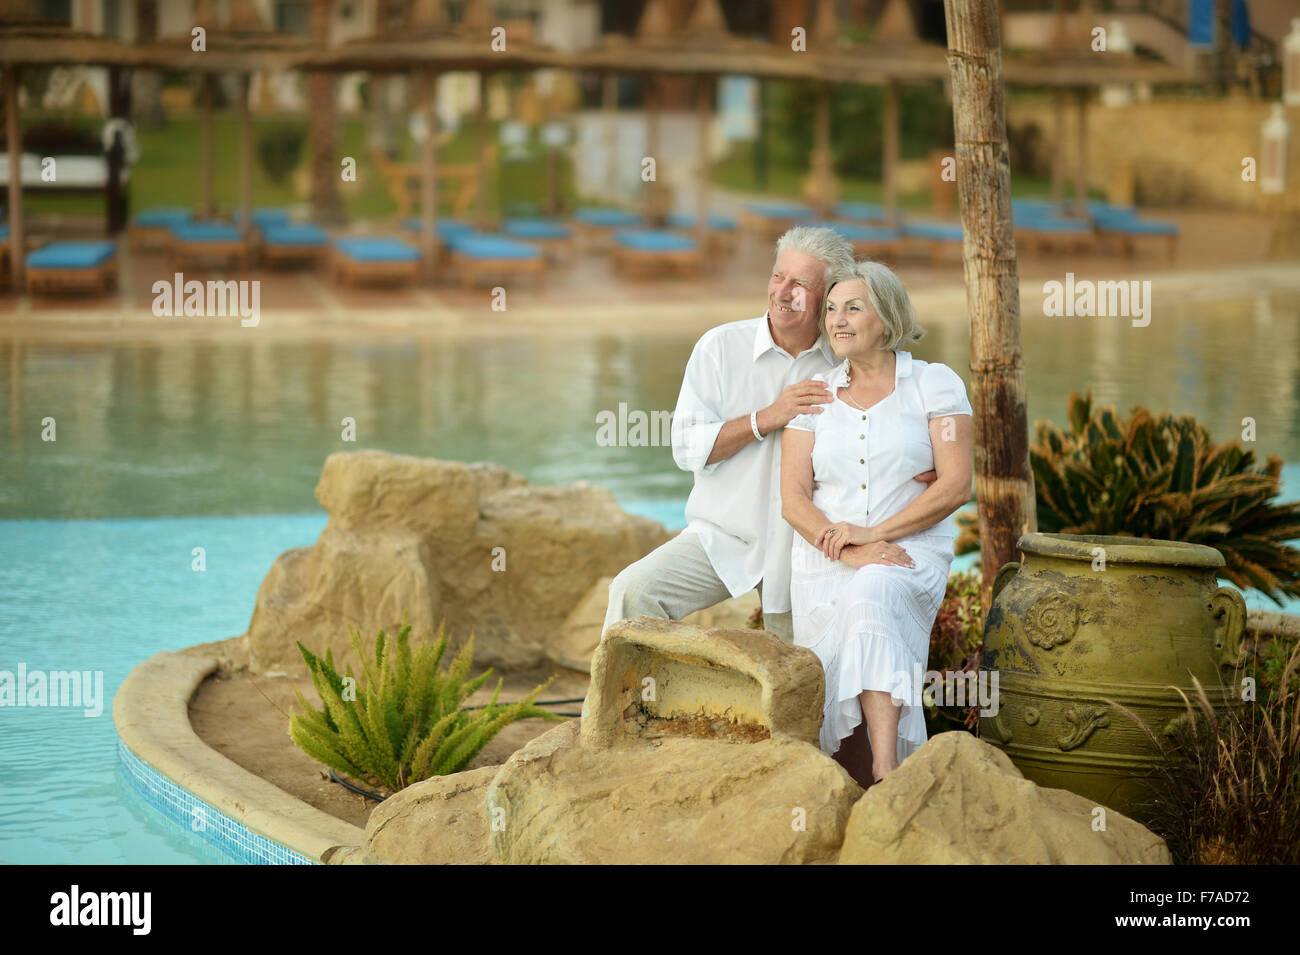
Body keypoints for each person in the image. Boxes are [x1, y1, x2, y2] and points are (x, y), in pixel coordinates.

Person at [602, 226, 933, 645]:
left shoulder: (849, 354)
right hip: (724, 537)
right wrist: (767, 417)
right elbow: (687, 448)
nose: (782, 292)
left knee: (807, 679)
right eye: (778, 276)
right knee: (632, 594)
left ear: (828, 295)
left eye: (800, 284)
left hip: (811, 547)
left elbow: (903, 418)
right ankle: (616, 711)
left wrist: (928, 463)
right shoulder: (720, 348)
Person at [780, 259, 973, 788]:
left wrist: (874, 535)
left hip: (909, 553)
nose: (837, 321)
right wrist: (848, 549)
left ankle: (886, 773)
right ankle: (848, 785)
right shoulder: (814, 395)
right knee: (852, 617)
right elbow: (794, 500)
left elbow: (956, 485)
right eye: (833, 310)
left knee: (873, 590)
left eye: (854, 308)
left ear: (886, 319)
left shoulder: (934, 384)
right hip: (825, 559)